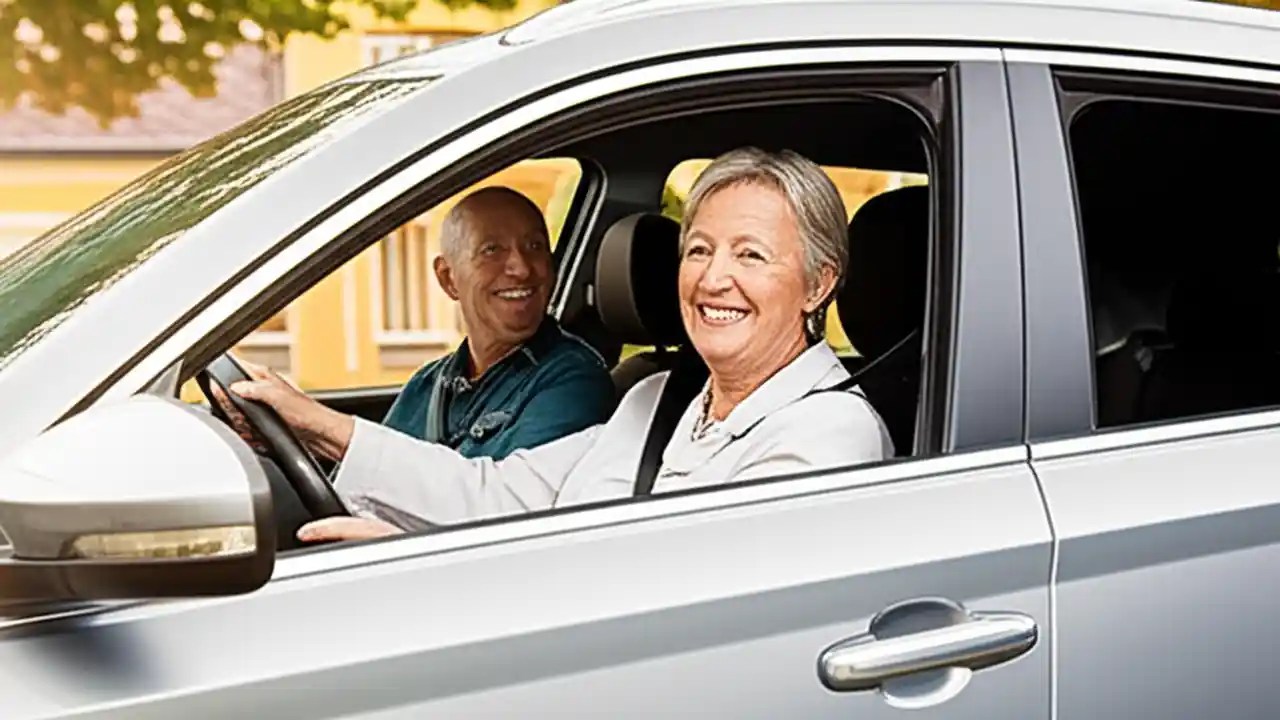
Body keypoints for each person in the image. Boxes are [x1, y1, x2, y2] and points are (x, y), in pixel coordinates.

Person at [290, 147, 894, 542]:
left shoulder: (830, 433)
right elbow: (501, 494)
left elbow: (674, 600)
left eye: (751, 255)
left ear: (818, 284)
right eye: (700, 250)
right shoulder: (656, 396)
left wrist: (416, 561)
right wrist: (320, 427)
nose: (713, 279)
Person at [216, 185, 615, 466]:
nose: (521, 268)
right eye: (492, 250)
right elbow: (367, 483)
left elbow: (492, 510)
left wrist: (316, 423)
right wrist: (285, 441)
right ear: (447, 278)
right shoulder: (428, 384)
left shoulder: (574, 380)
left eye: (535, 247)